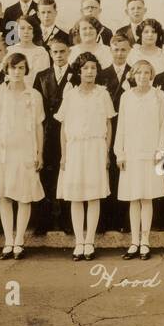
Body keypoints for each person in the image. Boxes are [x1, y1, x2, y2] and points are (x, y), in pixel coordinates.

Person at [57, 52, 116, 260]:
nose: (90, 72)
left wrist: (107, 153)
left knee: (92, 195)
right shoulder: (71, 95)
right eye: (85, 68)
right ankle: (78, 241)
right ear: (79, 71)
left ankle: (90, 240)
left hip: (96, 148)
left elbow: (108, 125)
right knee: (76, 196)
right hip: (75, 149)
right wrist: (64, 156)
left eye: (93, 68)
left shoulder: (103, 94)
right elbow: (63, 127)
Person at [0, 53, 45, 259]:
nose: (17, 72)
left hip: (26, 151)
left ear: (26, 70)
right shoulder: (1, 95)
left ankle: (19, 240)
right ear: (7, 70)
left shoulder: (34, 95)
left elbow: (38, 126)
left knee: (24, 196)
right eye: (13, 68)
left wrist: (40, 153)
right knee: (5, 195)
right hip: (3, 152)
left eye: (21, 68)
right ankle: (8, 241)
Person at [113, 60, 164, 260]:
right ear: (133, 75)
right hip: (132, 153)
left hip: (154, 154)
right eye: (139, 73)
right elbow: (121, 127)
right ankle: (134, 241)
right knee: (133, 198)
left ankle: (145, 241)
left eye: (147, 73)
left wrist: (160, 154)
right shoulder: (126, 96)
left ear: (152, 75)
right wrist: (120, 153)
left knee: (148, 197)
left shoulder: (159, 95)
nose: (143, 76)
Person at [34, 38, 72, 235]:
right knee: (47, 175)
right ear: (50, 53)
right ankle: (45, 219)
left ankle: (66, 220)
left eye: (62, 52)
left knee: (66, 173)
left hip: (67, 131)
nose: (59, 55)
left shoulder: (75, 75)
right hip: (48, 131)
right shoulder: (42, 76)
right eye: (55, 52)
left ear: (69, 52)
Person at [8, 15, 49, 87]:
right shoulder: (10, 50)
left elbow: (45, 78)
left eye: (30, 28)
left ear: (35, 31)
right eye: (22, 28)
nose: (26, 31)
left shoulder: (41, 52)